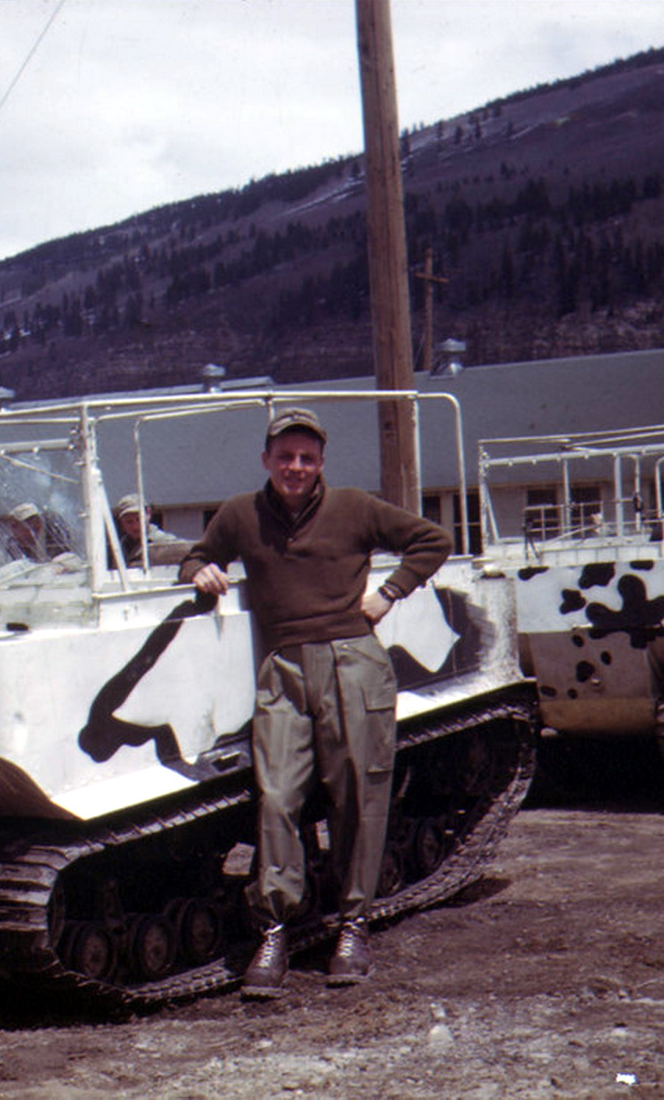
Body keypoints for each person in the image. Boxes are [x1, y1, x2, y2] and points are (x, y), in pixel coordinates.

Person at [177, 406, 452, 998]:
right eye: (285, 457)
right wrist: (200, 570)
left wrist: (389, 593)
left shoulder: (354, 506)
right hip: (282, 669)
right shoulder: (240, 513)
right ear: (267, 460)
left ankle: (353, 925)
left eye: (306, 458)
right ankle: (275, 926)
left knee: (359, 790)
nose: (295, 467)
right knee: (277, 796)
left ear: (321, 463)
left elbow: (433, 539)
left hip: (353, 660)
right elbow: (198, 555)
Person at [114, 493, 189, 567]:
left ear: (148, 513)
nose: (135, 526)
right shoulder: (118, 547)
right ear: (121, 522)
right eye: (129, 522)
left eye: (138, 519)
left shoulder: (165, 542)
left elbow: (192, 554)